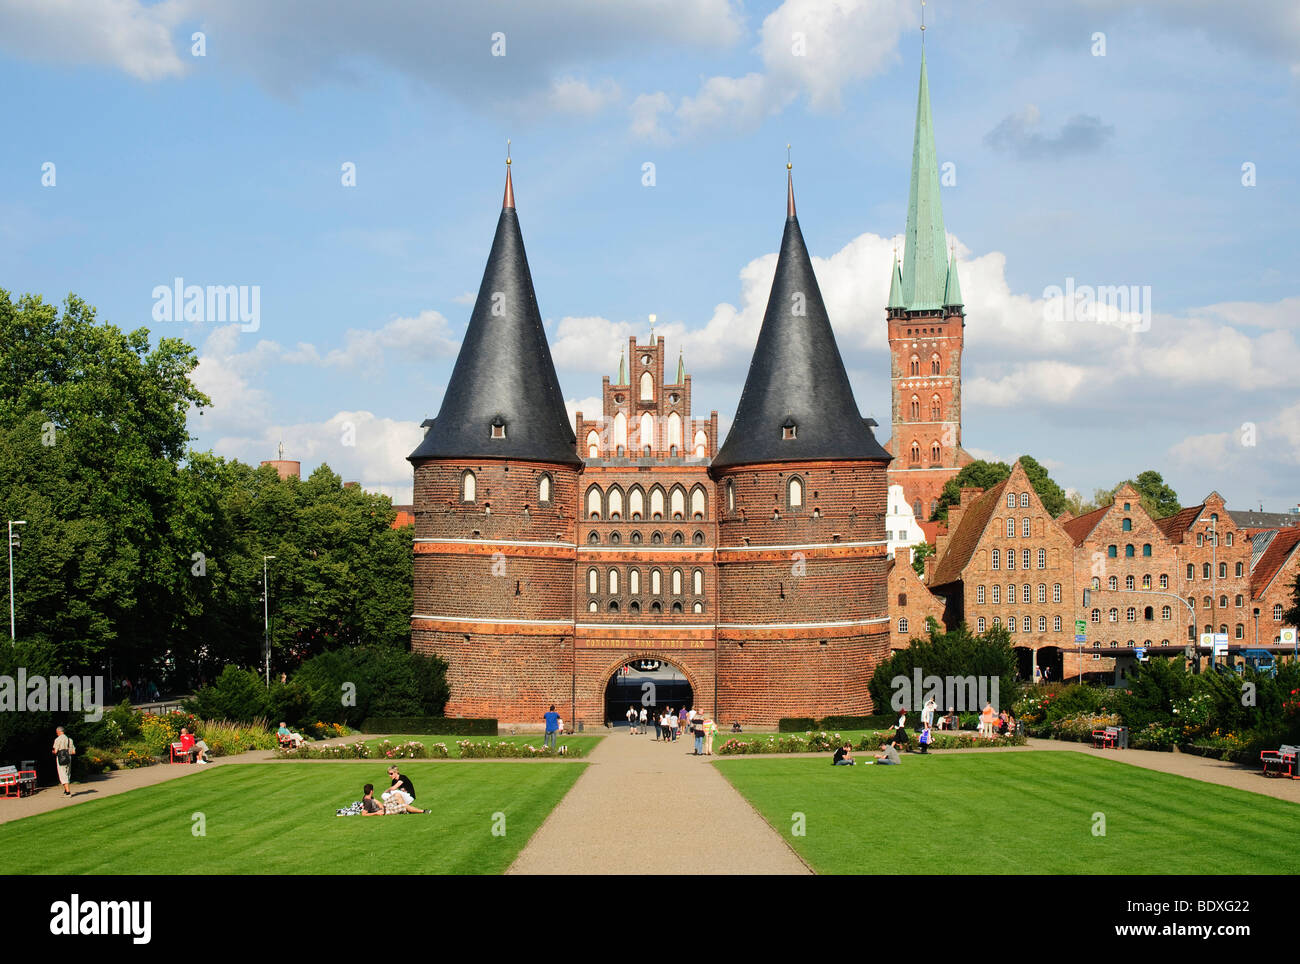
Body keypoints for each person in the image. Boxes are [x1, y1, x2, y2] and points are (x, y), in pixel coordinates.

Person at [52, 726, 76, 795]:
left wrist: (53, 752)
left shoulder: (57, 739)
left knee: (62, 774)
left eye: (57, 733)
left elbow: (55, 751)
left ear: (58, 732)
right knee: (68, 773)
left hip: (61, 758)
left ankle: (68, 791)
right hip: (69, 757)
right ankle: (66, 790)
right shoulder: (70, 739)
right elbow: (73, 752)